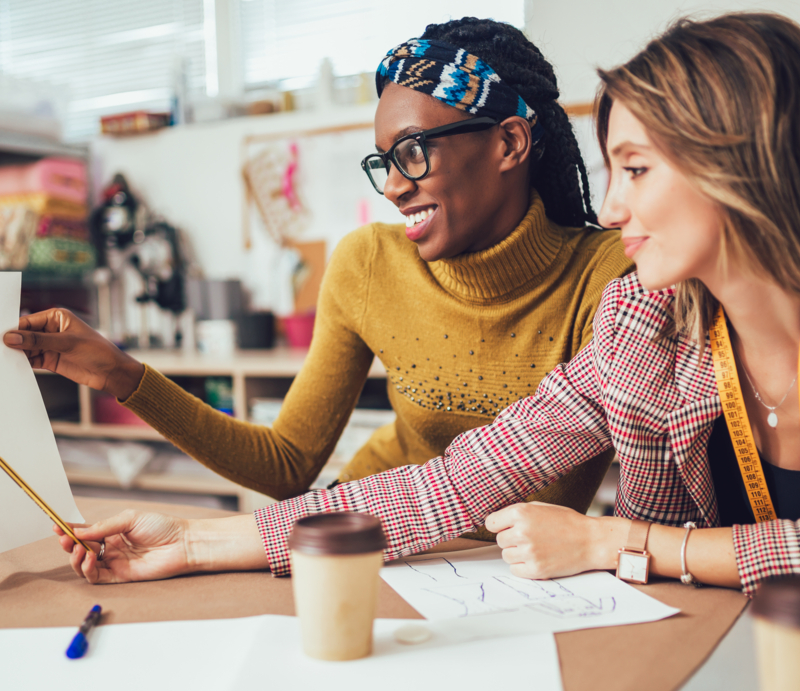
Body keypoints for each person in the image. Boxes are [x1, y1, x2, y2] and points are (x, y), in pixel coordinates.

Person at [54, 12, 800, 596]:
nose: (611, 207)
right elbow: (447, 483)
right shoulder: (646, 324)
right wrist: (193, 542)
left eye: (637, 169)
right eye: (613, 170)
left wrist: (625, 543)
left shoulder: (608, 282)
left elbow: (639, 540)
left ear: (739, 159)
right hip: (693, 640)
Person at [4, 18, 630, 533]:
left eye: (414, 151)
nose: (391, 187)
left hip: (513, 569)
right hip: (362, 533)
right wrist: (121, 374)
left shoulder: (613, 281)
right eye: (383, 161)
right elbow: (287, 463)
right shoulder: (368, 264)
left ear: (510, 143)